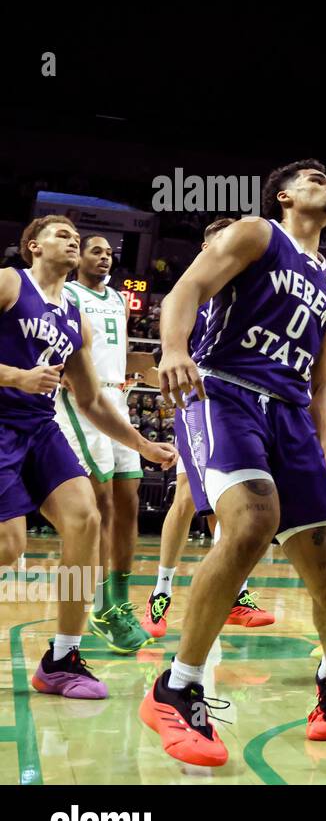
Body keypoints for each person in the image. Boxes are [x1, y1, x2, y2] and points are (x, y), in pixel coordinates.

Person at [143, 160, 326, 766]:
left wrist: (321, 446)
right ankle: (176, 688)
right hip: (223, 391)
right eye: (316, 178)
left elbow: (320, 380)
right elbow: (186, 289)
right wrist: (174, 349)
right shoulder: (256, 233)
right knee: (251, 521)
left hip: (292, 416)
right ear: (285, 195)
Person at [0, 216, 176, 699]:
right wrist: (15, 377)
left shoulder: (72, 320)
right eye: (60, 234)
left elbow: (92, 400)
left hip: (38, 427)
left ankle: (62, 657)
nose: (72, 239)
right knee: (9, 547)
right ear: (32, 246)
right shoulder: (10, 282)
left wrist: (143, 444)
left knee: (85, 520)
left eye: (75, 236)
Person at [145, 219, 275, 638]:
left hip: (237, 407)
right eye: (221, 241)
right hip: (200, 402)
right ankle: (160, 595)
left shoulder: (250, 298)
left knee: (229, 501)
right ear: (207, 247)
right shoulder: (196, 299)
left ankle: (237, 593)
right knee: (186, 498)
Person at [52, 234, 154, 653]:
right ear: (80, 260)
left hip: (118, 396)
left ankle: (118, 601)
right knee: (101, 504)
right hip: (80, 398)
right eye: (96, 250)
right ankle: (97, 605)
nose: (104, 256)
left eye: (109, 252)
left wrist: (146, 371)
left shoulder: (116, 299)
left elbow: (120, 351)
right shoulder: (67, 293)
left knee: (128, 500)